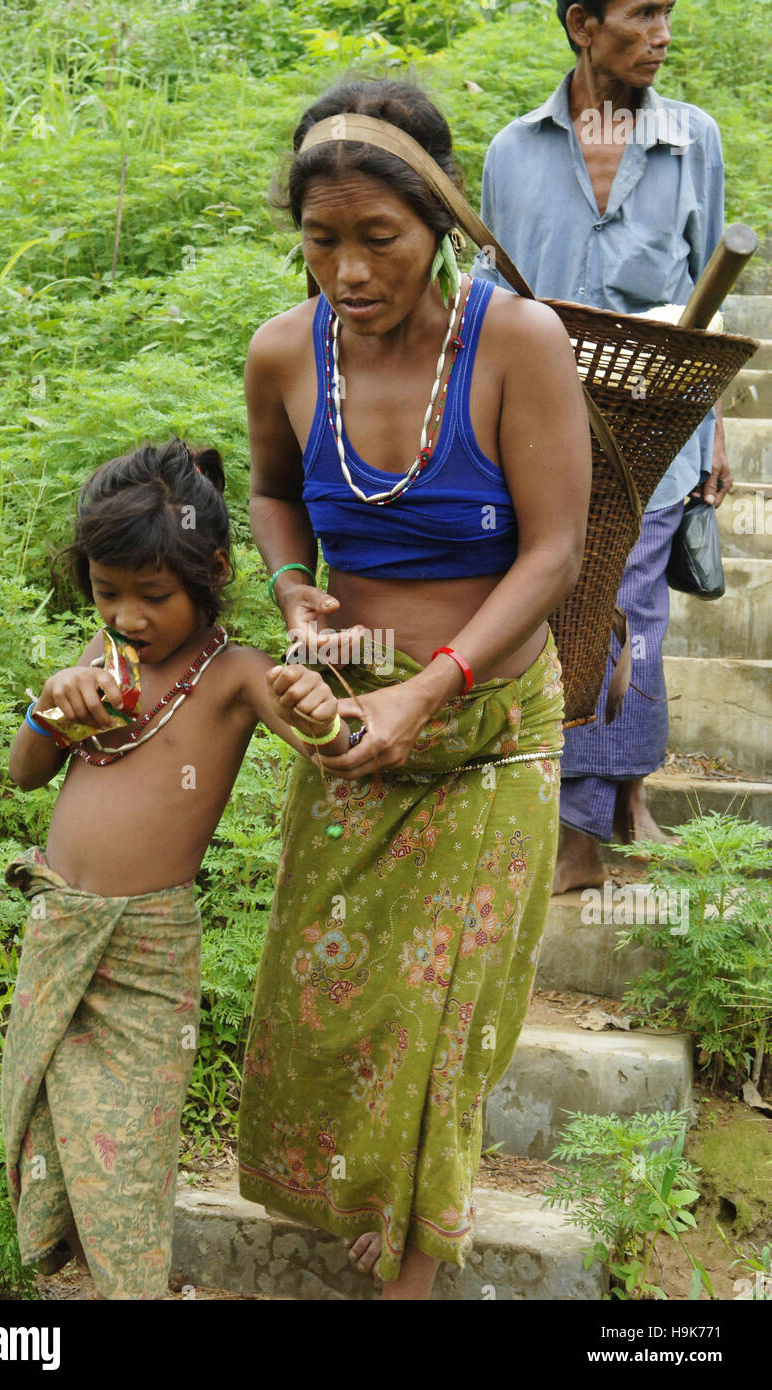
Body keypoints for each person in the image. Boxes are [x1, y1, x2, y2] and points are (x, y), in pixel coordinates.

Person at [236, 78, 591, 1300]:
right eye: (320, 240)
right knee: (330, 1008)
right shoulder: (284, 352)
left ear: (439, 222)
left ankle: (417, 1275)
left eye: (375, 237)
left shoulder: (514, 344)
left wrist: (428, 691)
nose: (345, 269)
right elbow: (275, 493)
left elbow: (551, 550)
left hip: (486, 733)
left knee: (438, 1023)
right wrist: (294, 597)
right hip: (349, 726)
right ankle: (363, 1215)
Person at [1, 438, 353, 1300]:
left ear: (213, 571)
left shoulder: (233, 677)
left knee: (129, 1146)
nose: (127, 616)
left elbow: (337, 745)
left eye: (151, 596)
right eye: (106, 591)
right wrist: (53, 708)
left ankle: (133, 1289)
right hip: (60, 929)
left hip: (149, 952)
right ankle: (69, 1277)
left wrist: (318, 702)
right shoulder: (99, 656)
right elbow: (25, 772)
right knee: (43, 1121)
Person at [471, 0, 733, 893]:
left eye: (667, 13)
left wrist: (715, 428)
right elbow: (489, 289)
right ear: (582, 22)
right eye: (641, 13)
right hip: (541, 422)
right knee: (562, 609)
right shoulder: (514, 150)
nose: (661, 32)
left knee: (633, 614)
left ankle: (591, 826)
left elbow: (709, 294)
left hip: (655, 419)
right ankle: (595, 800)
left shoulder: (691, 139)